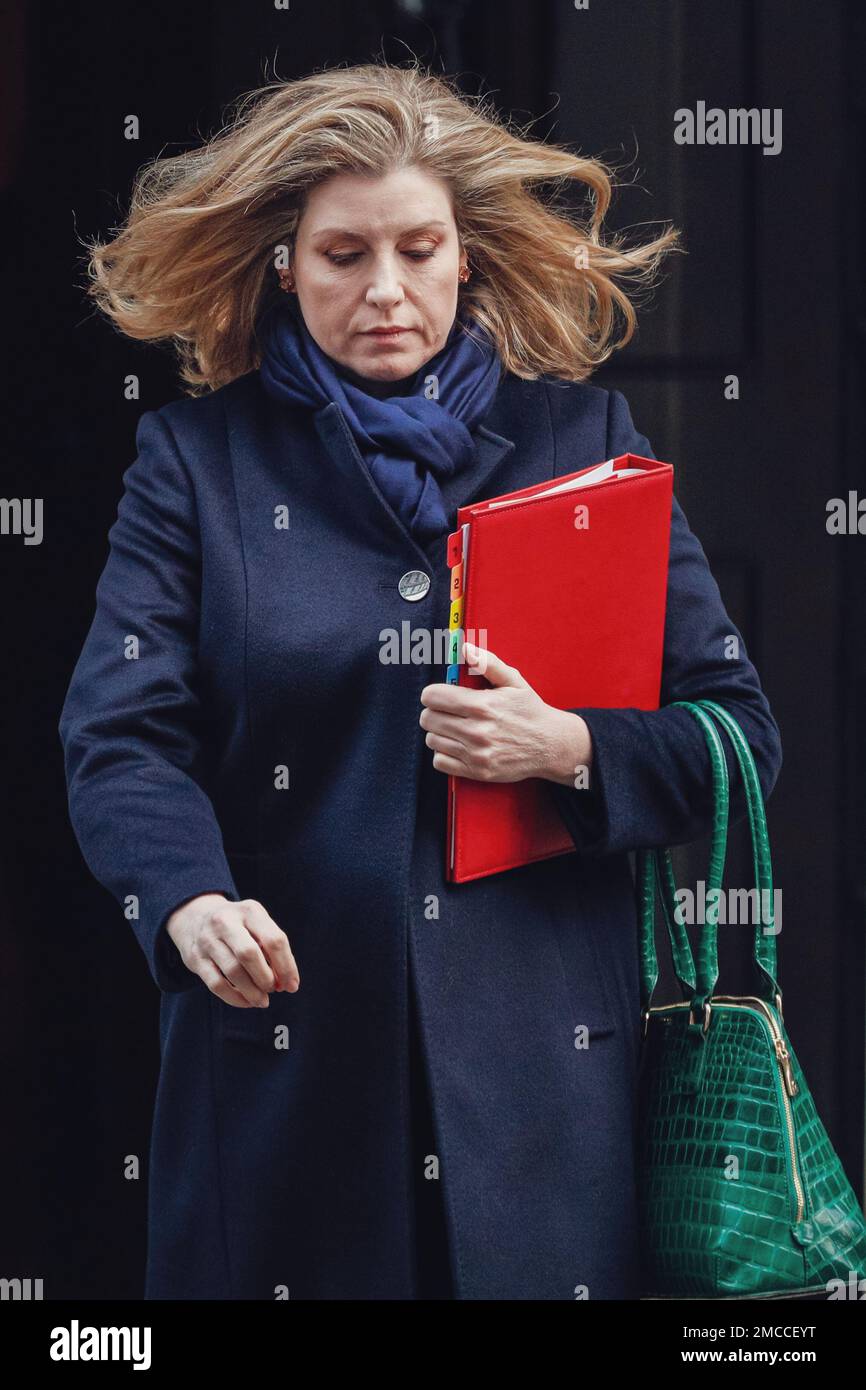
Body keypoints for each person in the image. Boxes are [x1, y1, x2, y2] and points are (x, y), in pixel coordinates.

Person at [58, 61, 782, 1301]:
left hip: (548, 1086)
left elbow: (739, 733)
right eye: (341, 255)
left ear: (466, 257)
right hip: (285, 1072)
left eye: (417, 248)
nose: (383, 291)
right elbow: (122, 739)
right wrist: (185, 899)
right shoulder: (193, 464)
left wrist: (566, 748)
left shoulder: (588, 445)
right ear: (283, 262)